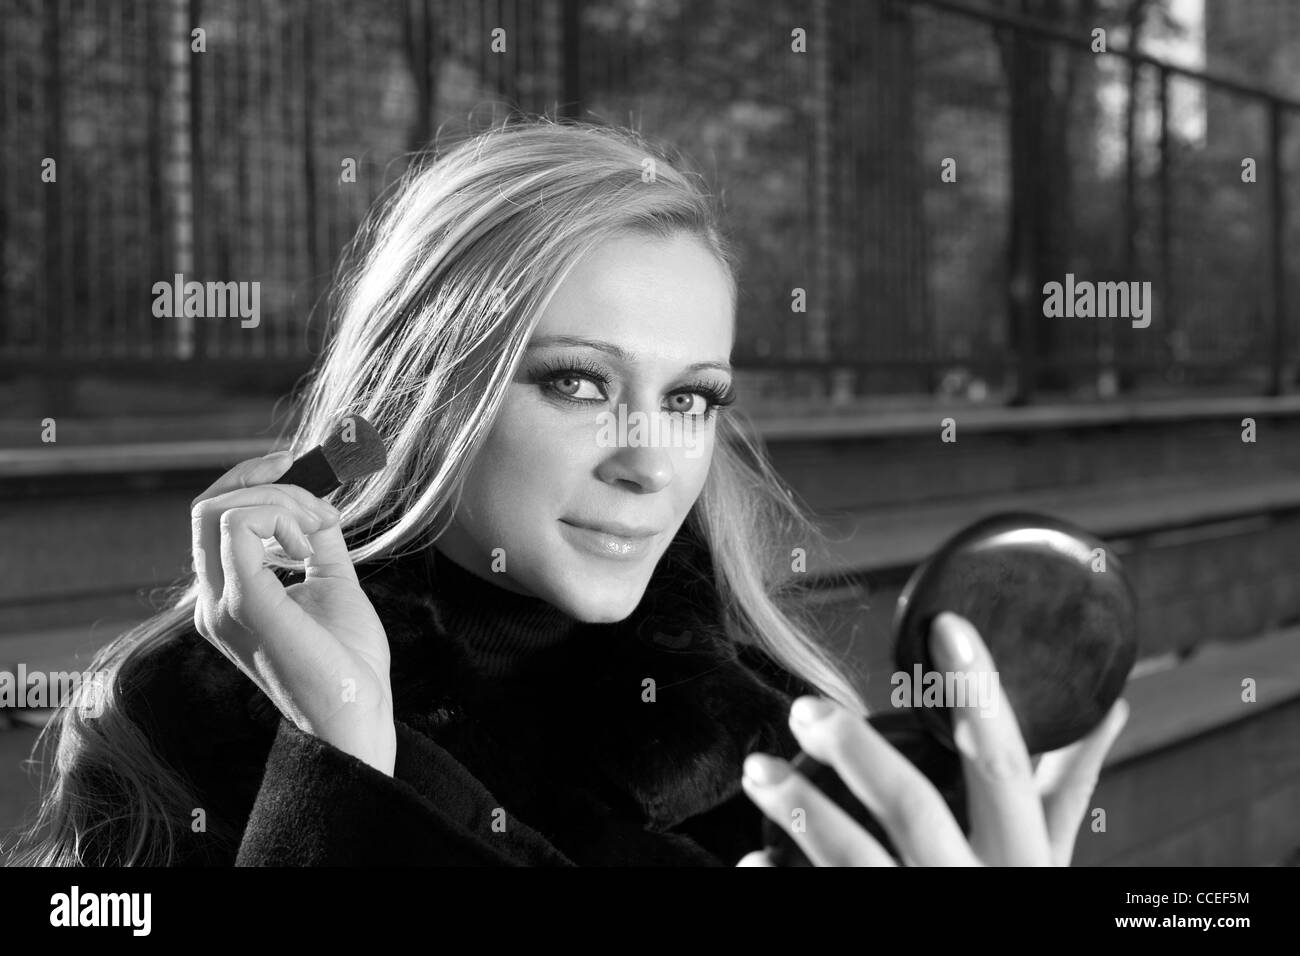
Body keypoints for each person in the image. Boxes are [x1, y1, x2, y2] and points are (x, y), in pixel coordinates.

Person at [8, 117, 1127, 867]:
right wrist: (344, 755)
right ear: (414, 398)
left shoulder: (788, 749)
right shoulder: (177, 715)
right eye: (577, 382)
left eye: (691, 397)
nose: (649, 458)